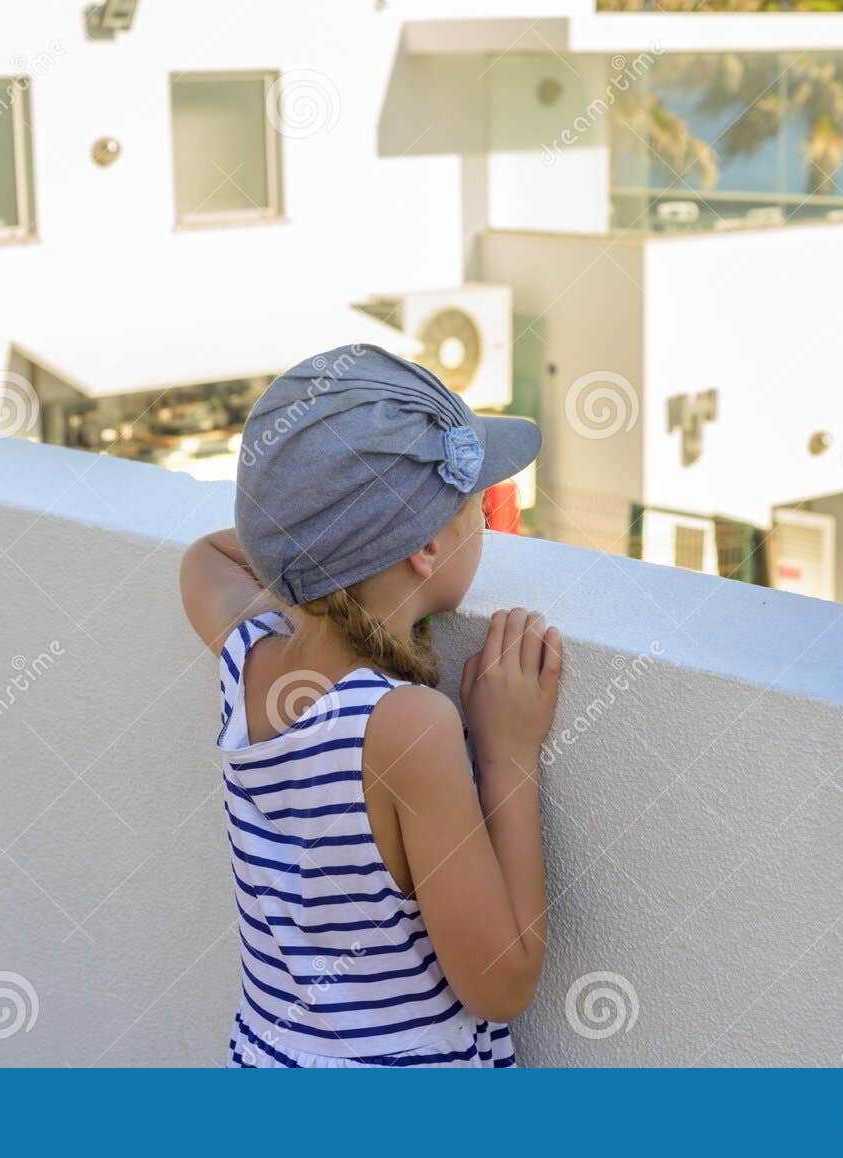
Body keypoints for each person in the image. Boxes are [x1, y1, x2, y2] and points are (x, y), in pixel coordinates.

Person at [179, 344, 561, 1068]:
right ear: (424, 546)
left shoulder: (249, 661)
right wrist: (507, 751)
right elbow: (501, 985)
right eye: (474, 502)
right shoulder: (406, 729)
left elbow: (207, 557)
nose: (483, 514)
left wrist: (317, 551)